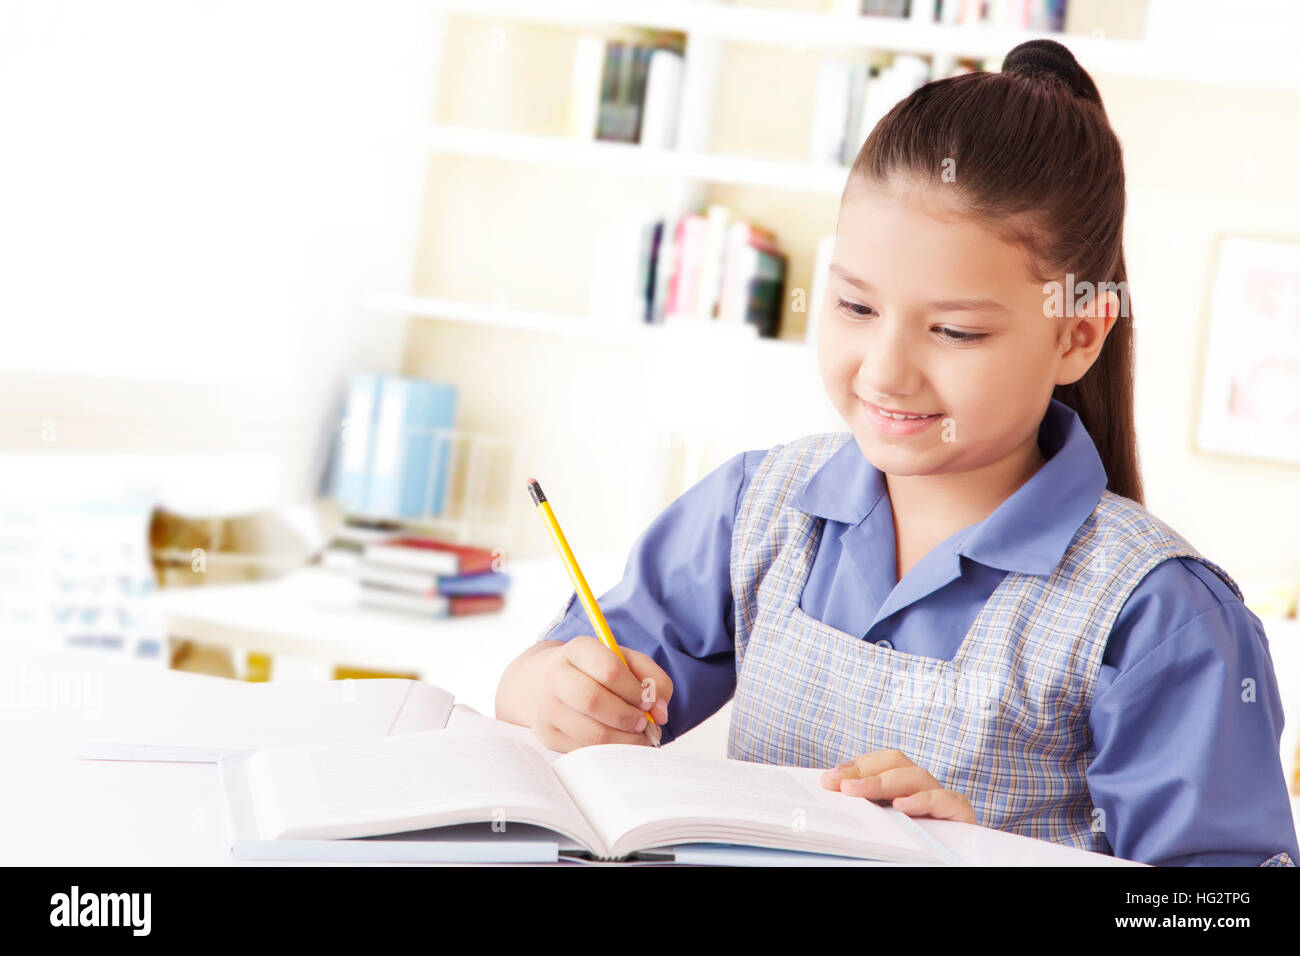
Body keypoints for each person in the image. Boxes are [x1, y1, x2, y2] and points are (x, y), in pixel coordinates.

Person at [495, 39, 1298, 867]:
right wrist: (553, 691)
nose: (884, 371)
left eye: (954, 330)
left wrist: (982, 856)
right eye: (854, 305)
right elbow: (563, 681)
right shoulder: (754, 511)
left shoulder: (1161, 617)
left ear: (1078, 334)